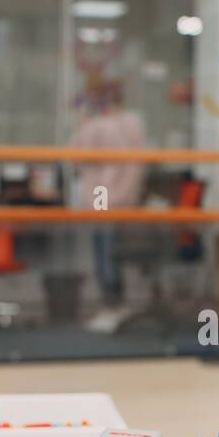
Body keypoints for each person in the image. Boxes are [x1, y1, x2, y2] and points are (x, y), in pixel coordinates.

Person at [71, 80, 146, 334]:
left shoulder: (96, 126)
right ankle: (116, 303)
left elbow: (77, 158)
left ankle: (113, 305)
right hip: (125, 200)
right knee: (113, 253)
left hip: (103, 200)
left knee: (106, 254)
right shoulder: (133, 123)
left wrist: (83, 120)